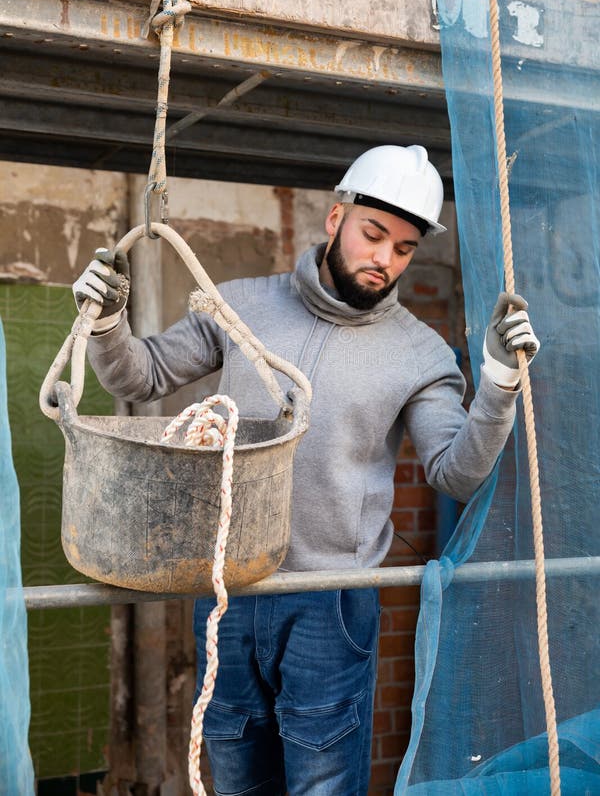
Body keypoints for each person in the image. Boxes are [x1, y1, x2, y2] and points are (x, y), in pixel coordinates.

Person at [74, 144, 539, 796]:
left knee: (321, 786)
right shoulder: (238, 307)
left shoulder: (420, 353)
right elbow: (139, 375)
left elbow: (454, 473)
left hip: (331, 605)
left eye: (403, 248)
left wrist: (497, 385)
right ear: (335, 218)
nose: (385, 259)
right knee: (237, 783)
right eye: (373, 234)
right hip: (226, 591)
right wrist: (104, 321)